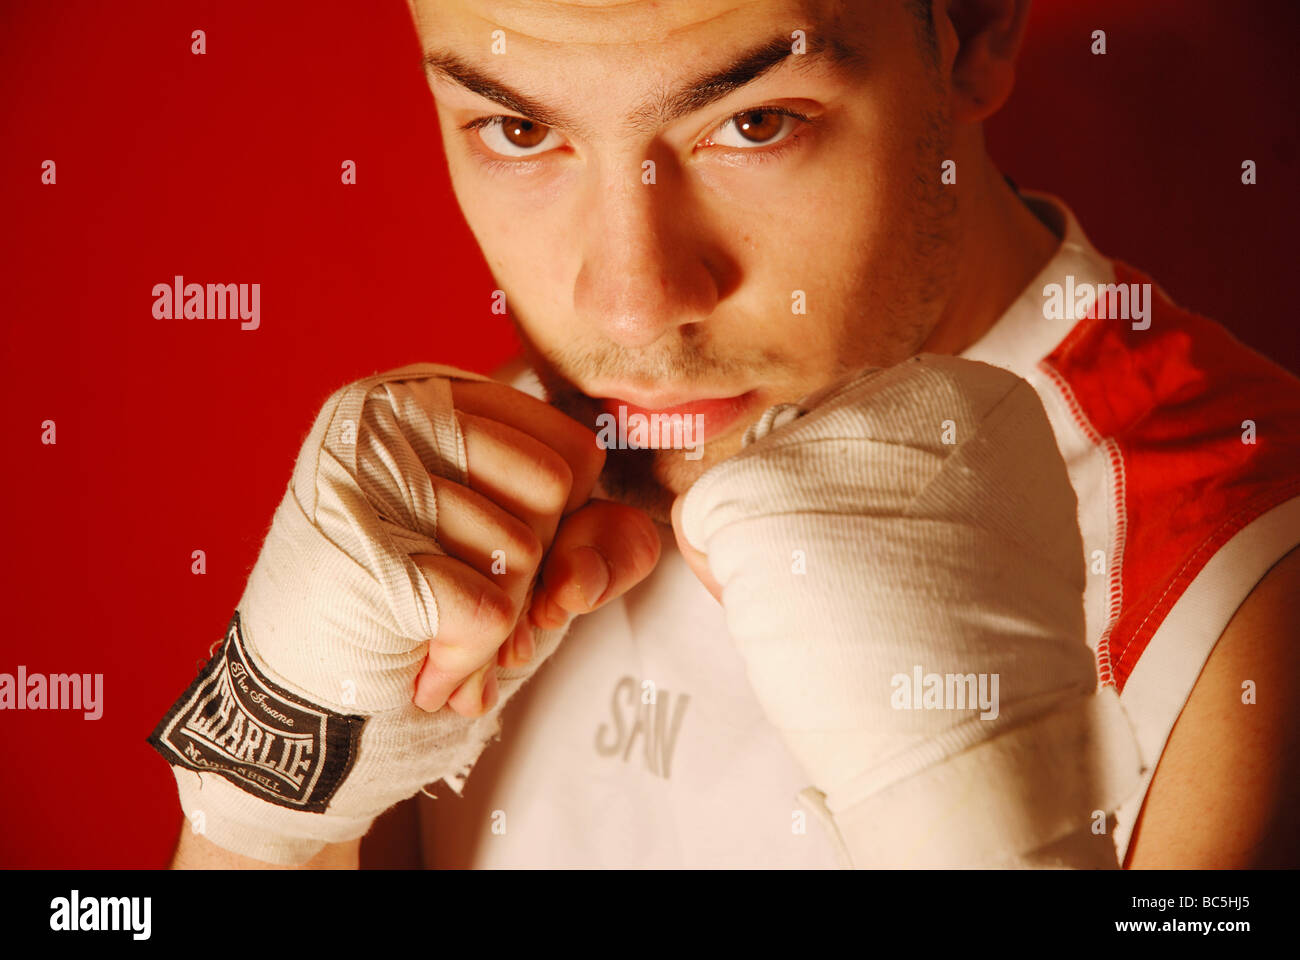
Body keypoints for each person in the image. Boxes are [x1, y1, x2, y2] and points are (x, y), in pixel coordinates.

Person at [156, 0, 1300, 869]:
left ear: (974, 29)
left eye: (752, 121)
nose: (630, 307)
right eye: (516, 127)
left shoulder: (1242, 567)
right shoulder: (460, 500)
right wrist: (259, 818)